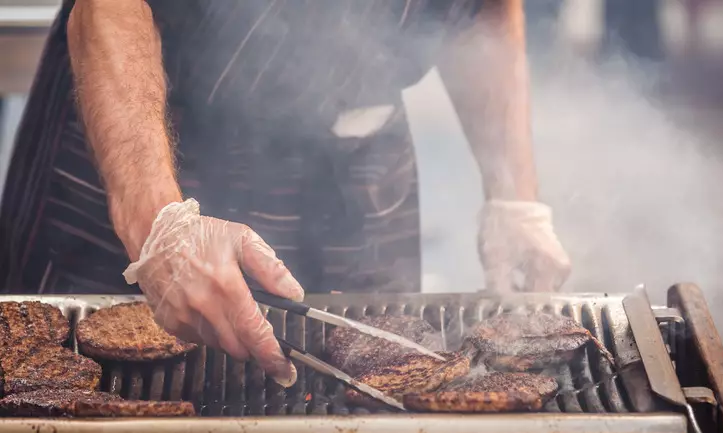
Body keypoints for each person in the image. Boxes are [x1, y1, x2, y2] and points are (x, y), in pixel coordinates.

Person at [0, 0, 570, 386]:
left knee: (377, 379)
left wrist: (514, 199)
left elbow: (483, 9)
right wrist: (160, 224)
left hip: (357, 162)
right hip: (153, 137)